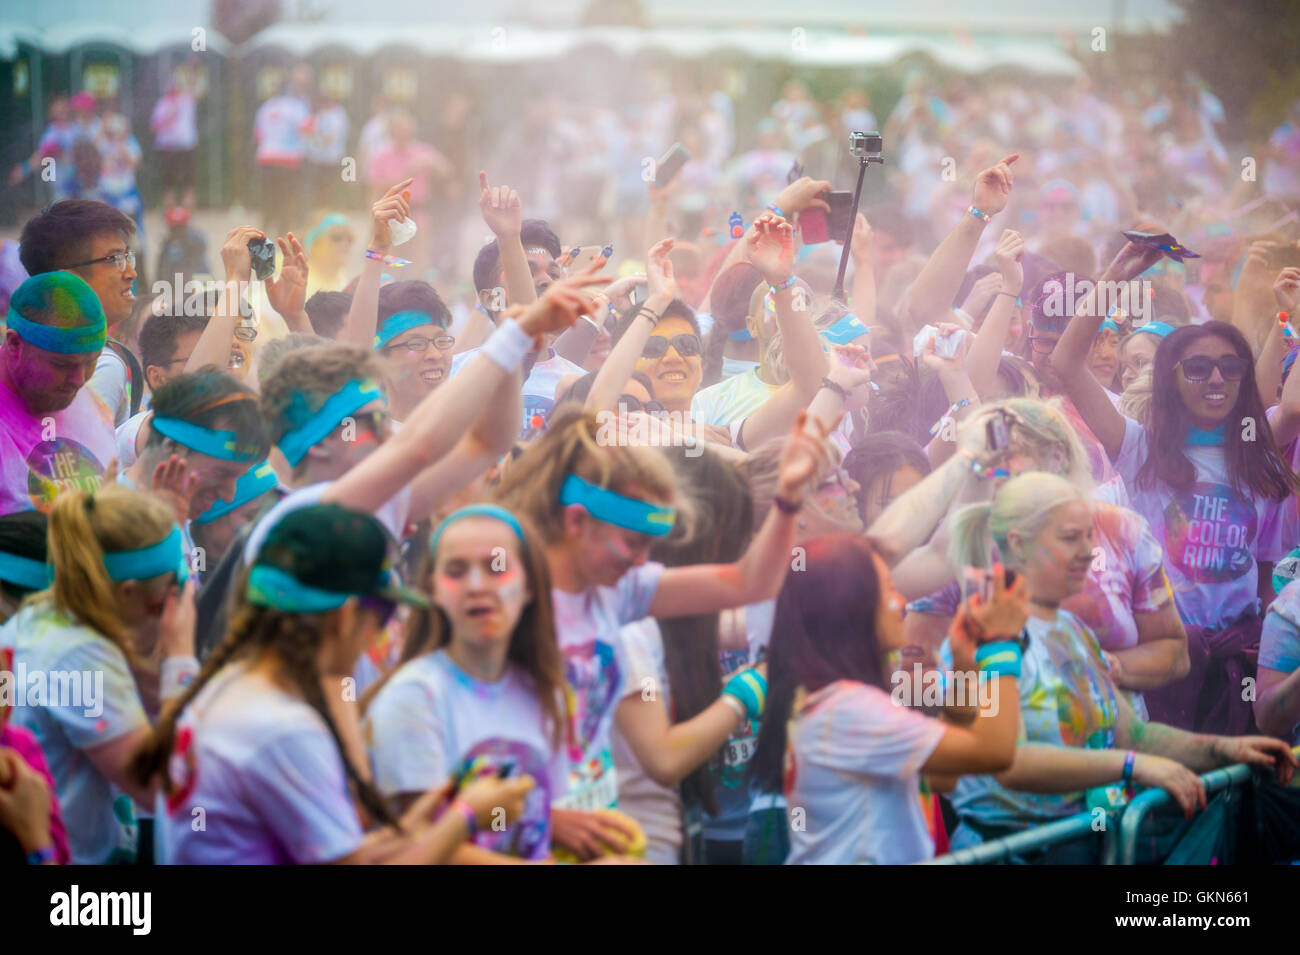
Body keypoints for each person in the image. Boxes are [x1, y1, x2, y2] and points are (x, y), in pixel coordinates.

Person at [495, 404, 835, 854]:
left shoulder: (619, 594)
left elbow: (750, 582)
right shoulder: (505, 607)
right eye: (633, 544)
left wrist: (787, 501)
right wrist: (544, 816)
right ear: (577, 521)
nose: (642, 561)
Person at [130, 503, 533, 864]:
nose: (381, 629)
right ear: (345, 616)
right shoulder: (282, 730)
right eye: (384, 609)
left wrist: (412, 828)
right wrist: (465, 818)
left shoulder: (232, 686)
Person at [942, 472, 1296, 860]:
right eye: (1069, 537)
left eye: (1087, 535)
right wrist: (1133, 767)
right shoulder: (980, 634)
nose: (1087, 550)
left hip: (1085, 846)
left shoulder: (1071, 630)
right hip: (1012, 852)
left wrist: (1228, 749)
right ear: (1018, 544)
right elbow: (1009, 760)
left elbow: (1133, 734)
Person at [1051, 239, 1300, 733]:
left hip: (1241, 664)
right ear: (1172, 380)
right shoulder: (1139, 449)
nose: (1216, 378)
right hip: (1164, 663)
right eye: (1198, 367)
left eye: (1231, 368)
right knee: (1172, 795)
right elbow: (1065, 366)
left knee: (1237, 794)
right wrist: (1117, 272)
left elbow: (1268, 581)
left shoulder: (1253, 450)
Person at [750, 534, 1028, 864]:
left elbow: (943, 779)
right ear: (850, 608)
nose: (904, 603)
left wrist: (966, 667)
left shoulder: (843, 702)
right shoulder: (848, 711)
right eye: (888, 590)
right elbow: (995, 753)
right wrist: (999, 645)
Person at [365, 505, 572, 862]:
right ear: (435, 591)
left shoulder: (545, 689)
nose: (476, 586)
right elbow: (423, 846)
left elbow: (537, 830)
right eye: (456, 572)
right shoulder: (415, 697)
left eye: (496, 567)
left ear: (530, 587)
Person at [7, 485, 198, 863]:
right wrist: (181, 659)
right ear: (126, 594)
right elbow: (164, 787)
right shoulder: (76, 658)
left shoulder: (51, 614)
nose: (167, 616)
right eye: (161, 603)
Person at [0, 272, 116, 516]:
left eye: (91, 362)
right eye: (62, 365)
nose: (79, 380)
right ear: (14, 345)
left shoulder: (93, 407)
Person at [253, 66, 313, 240]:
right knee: (286, 201)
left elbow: (258, 136)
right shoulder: (296, 106)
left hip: (265, 159)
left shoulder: (266, 107)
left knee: (268, 201)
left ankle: (262, 236)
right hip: (288, 161)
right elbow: (307, 129)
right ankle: (281, 236)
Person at [150, 78, 199, 210]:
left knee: (188, 183)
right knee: (168, 183)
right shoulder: (162, 105)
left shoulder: (187, 101)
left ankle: (188, 213)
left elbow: (196, 89)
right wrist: (169, 117)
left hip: (186, 147)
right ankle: (169, 212)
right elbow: (154, 126)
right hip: (167, 148)